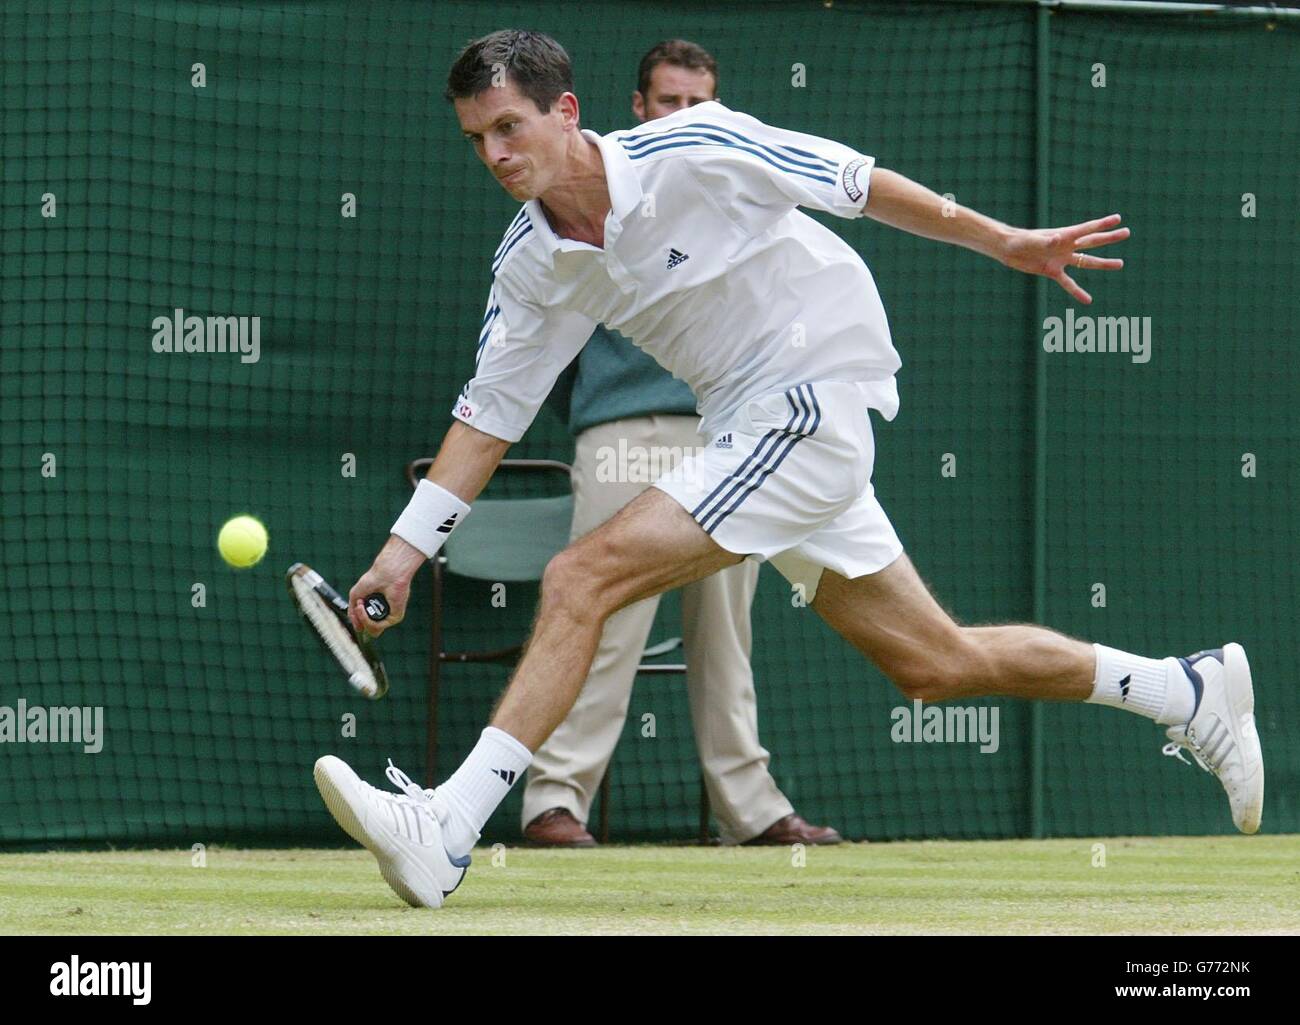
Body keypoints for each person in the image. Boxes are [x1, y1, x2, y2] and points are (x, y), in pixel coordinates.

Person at [314, 30, 1264, 908]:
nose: (496, 155)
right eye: (478, 137)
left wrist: (1005, 240)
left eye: (510, 126)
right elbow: (489, 414)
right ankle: (1183, 687)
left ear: (567, 113)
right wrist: (404, 554)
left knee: (580, 573)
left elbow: (858, 183)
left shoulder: (697, 147)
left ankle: (449, 824)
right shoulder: (531, 262)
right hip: (744, 421)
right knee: (934, 664)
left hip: (810, 390)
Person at [523, 38, 840, 849]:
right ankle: (554, 802)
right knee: (602, 609)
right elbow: (545, 341)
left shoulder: (730, 183)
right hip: (622, 433)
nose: (684, 118)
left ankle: (753, 811)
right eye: (669, 102)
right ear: (637, 107)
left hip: (734, 434)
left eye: (700, 104)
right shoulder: (591, 190)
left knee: (727, 629)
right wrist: (599, 409)